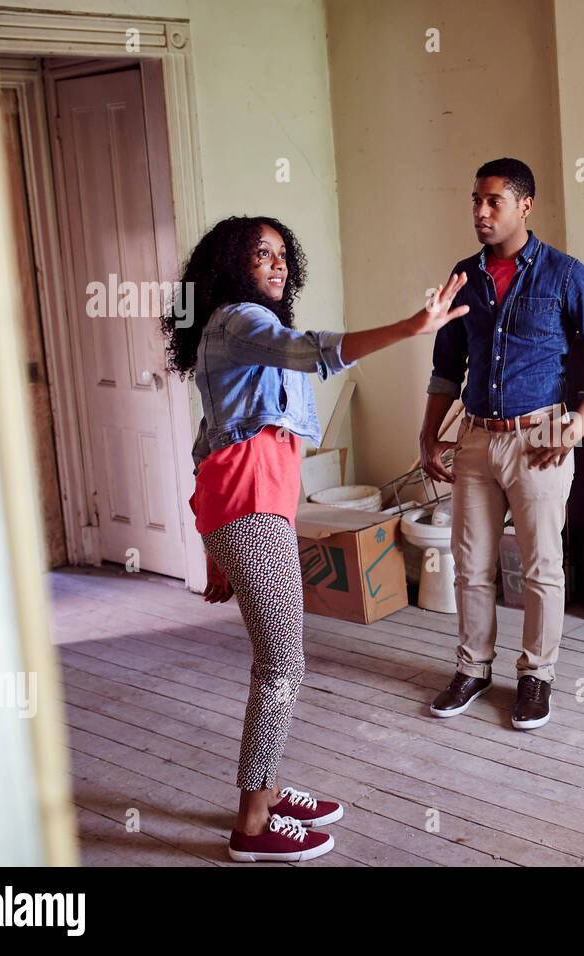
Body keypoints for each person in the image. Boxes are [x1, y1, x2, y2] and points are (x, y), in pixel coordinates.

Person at [162, 215, 467, 861]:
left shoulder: (250, 334)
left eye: (280, 255)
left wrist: (215, 543)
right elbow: (311, 352)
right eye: (259, 255)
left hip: (253, 509)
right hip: (248, 508)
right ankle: (251, 824)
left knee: (279, 662)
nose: (275, 264)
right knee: (282, 666)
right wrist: (412, 328)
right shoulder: (238, 321)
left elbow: (206, 440)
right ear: (230, 268)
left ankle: (268, 792)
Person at [420, 158, 584, 730]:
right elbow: (446, 367)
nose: (481, 213)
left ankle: (536, 678)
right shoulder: (465, 274)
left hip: (541, 440)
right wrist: (427, 433)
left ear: (524, 206)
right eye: (476, 202)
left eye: (494, 202)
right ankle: (472, 668)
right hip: (476, 440)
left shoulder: (564, 274)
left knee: (541, 568)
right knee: (470, 566)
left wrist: (578, 424)